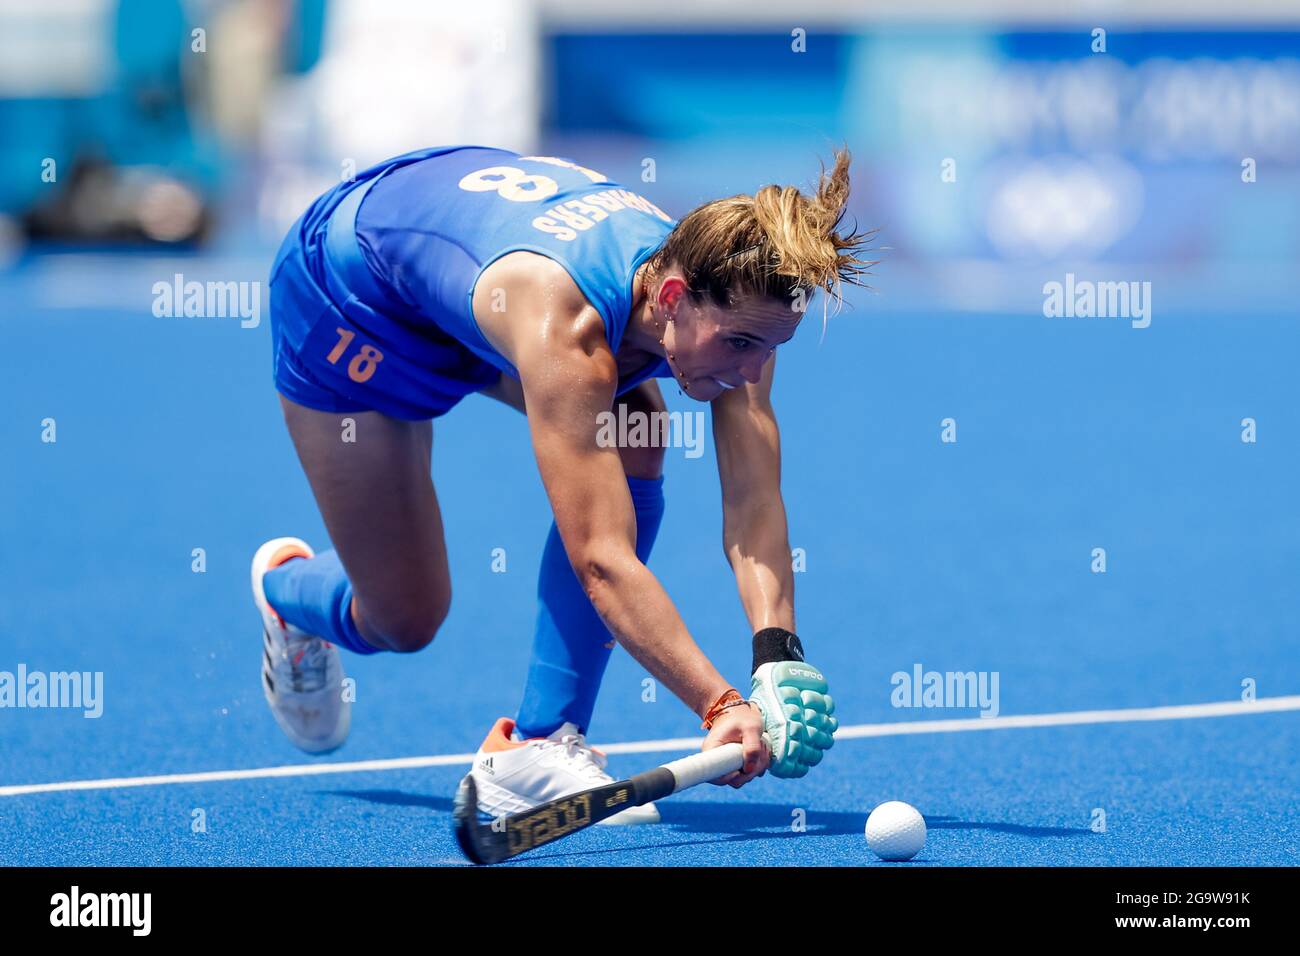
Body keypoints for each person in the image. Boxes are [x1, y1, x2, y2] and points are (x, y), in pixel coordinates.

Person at [252, 145, 869, 823]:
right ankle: (288, 592)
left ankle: (535, 747)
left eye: (771, 348)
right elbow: (602, 559)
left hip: (462, 291)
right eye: (742, 346)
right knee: (404, 618)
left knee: (635, 426)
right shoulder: (566, 323)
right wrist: (719, 704)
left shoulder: (734, 303)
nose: (753, 373)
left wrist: (775, 654)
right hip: (352, 307)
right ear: (670, 299)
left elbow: (753, 501)